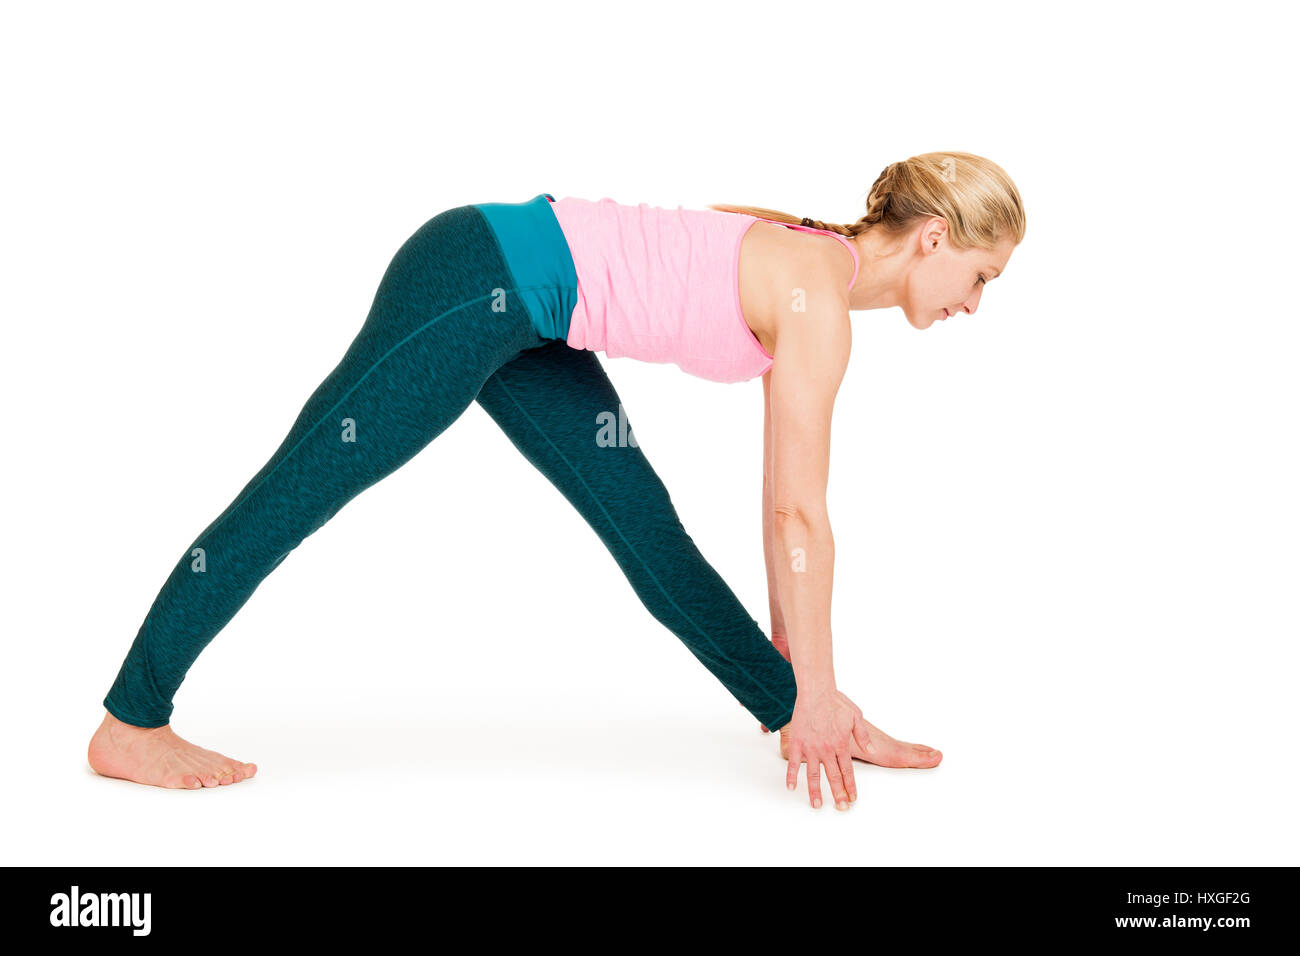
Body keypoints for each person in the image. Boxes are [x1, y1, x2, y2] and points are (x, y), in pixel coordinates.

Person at [87, 151, 1025, 809]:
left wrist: (811, 687)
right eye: (980, 276)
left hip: (536, 322)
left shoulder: (814, 252)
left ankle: (791, 711)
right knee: (296, 492)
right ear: (935, 237)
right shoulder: (816, 296)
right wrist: (813, 676)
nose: (975, 305)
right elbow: (799, 515)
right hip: (471, 281)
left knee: (647, 533)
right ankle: (131, 720)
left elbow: (781, 504)